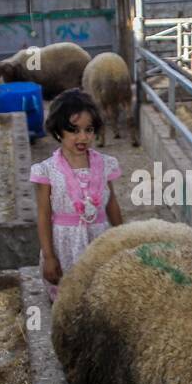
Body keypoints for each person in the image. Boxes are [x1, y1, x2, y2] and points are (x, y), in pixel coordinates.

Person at [30, 88, 124, 301]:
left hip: (99, 241)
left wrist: (123, 238)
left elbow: (112, 204)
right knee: (69, 301)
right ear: (58, 131)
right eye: (74, 130)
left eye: (89, 130)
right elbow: (44, 215)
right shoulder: (46, 170)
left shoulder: (105, 164)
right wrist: (49, 256)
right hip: (65, 247)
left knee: (101, 297)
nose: (83, 137)